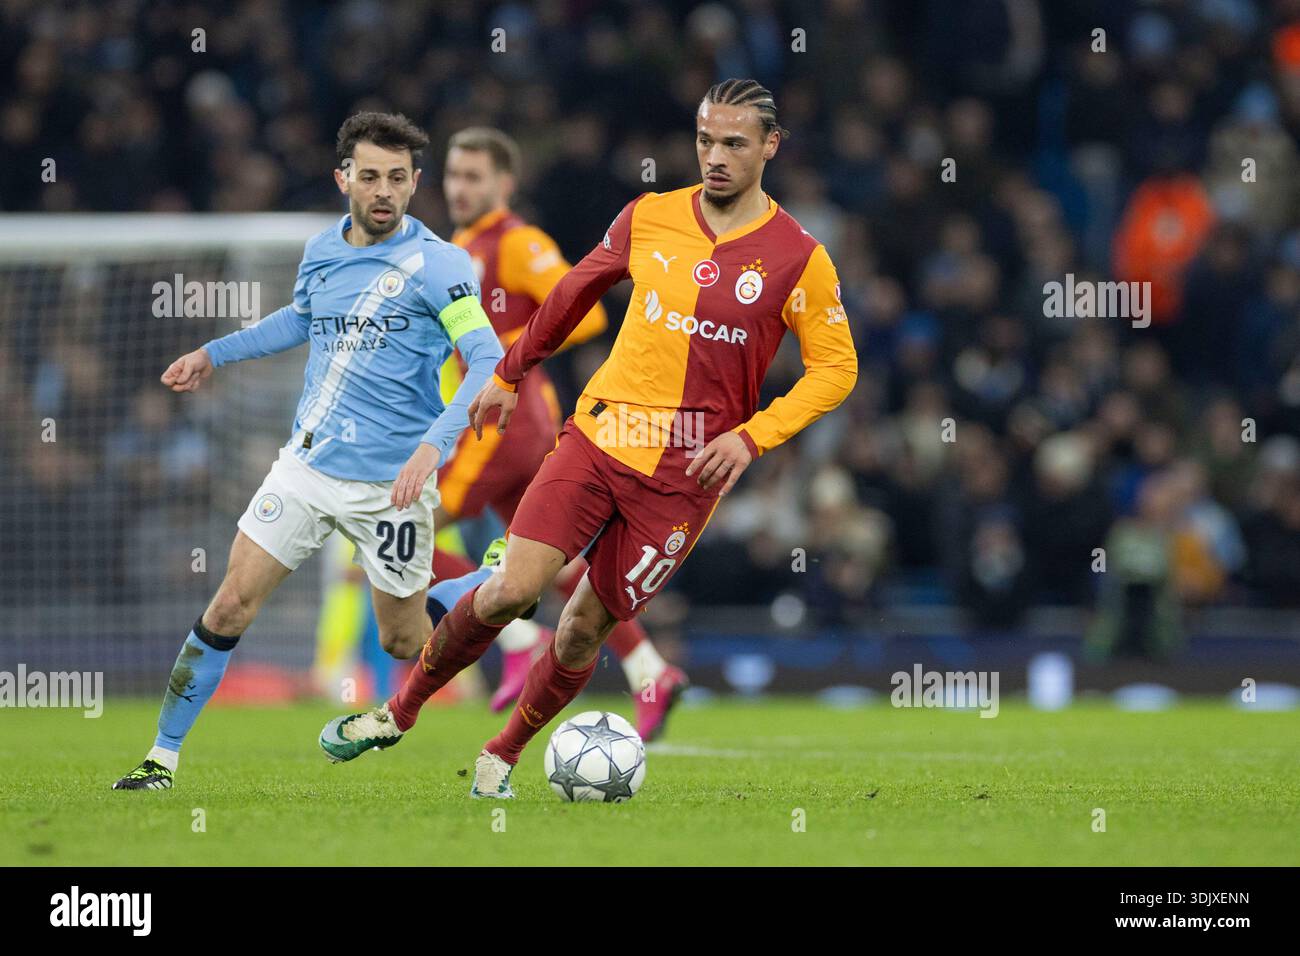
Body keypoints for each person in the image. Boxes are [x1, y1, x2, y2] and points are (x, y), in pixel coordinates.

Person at [321, 79, 858, 800]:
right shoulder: (650, 216)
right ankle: (395, 713)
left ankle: (500, 757)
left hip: (683, 479)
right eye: (705, 141)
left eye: (734, 142)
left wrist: (754, 438)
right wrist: (510, 374)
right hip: (599, 439)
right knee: (512, 589)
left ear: (770, 146)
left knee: (581, 632)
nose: (716, 156)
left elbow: (837, 370)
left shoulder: (799, 256)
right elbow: (574, 292)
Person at [113, 112, 502, 790]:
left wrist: (432, 449)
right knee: (231, 602)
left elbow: (486, 358)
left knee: (402, 643)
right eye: (370, 175)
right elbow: (299, 318)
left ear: (416, 185)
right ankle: (161, 759)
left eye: (398, 178)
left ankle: (487, 580)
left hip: (393, 484)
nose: (383, 190)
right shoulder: (323, 250)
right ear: (343, 178)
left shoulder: (441, 265)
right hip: (307, 467)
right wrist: (215, 352)